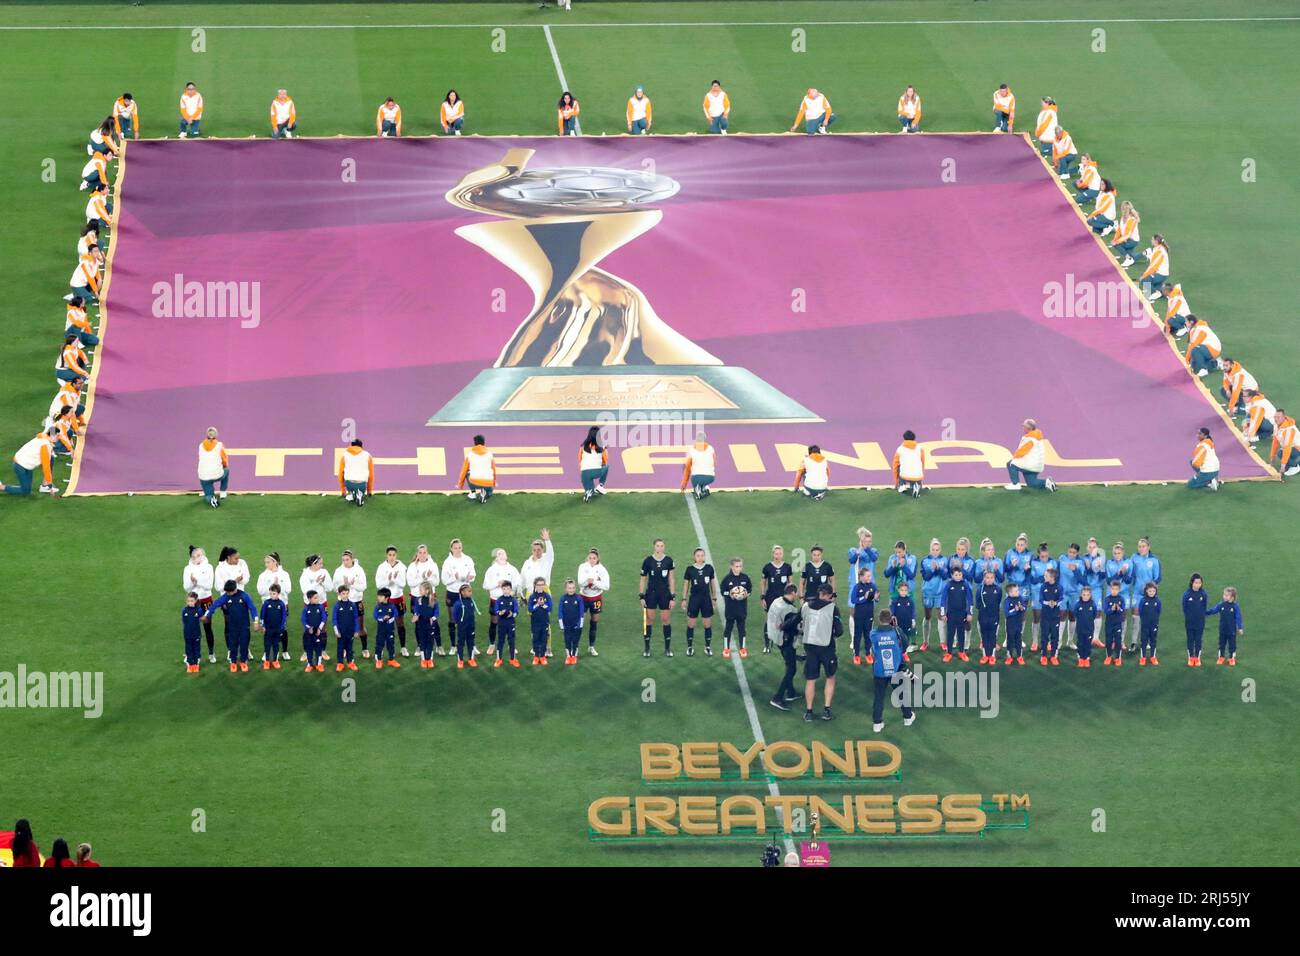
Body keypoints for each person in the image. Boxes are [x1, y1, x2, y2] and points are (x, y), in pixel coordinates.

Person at [800, 585, 842, 721]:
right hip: (826, 648)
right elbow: (839, 631)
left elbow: (796, 622)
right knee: (830, 677)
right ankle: (826, 710)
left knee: (810, 680)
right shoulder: (832, 608)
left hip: (810, 648)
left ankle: (809, 712)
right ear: (829, 595)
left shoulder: (806, 606)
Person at [869, 610, 916, 733]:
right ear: (890, 619)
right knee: (901, 693)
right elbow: (905, 645)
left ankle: (877, 723)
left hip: (879, 670)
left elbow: (872, 649)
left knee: (879, 696)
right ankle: (907, 717)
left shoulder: (873, 633)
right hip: (895, 668)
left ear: (879, 619)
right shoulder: (897, 632)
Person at [206, 579, 259, 672]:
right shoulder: (226, 596)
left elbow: (253, 608)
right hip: (232, 626)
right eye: (227, 592)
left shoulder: (244, 596)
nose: (228, 594)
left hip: (244, 626)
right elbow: (215, 605)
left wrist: (256, 622)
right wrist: (207, 614)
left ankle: (243, 662)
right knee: (232, 645)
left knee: (244, 644)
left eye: (229, 592)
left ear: (235, 589)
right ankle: (233, 662)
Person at [519, 529, 556, 656]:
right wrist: (520, 593)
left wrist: (547, 540)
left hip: (544, 592)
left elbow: (551, 552)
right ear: (532, 550)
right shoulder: (527, 563)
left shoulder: (547, 559)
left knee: (545, 620)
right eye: (534, 549)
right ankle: (536, 646)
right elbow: (522, 579)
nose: (536, 552)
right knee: (534, 621)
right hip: (531, 594)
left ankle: (548, 648)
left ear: (542, 549)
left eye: (539, 549)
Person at [767, 585, 801, 710]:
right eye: (796, 593)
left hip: (774, 637)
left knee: (789, 664)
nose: (797, 595)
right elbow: (790, 627)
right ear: (792, 593)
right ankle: (778, 697)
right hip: (785, 641)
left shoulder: (777, 601)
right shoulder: (789, 609)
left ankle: (791, 692)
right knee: (791, 669)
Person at [640, 538, 675, 657]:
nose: (659, 548)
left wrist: (673, 596)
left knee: (666, 620)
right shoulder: (648, 561)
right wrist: (641, 596)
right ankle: (647, 648)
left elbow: (671, 579)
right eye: (658, 546)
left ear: (664, 547)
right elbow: (643, 578)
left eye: (662, 546)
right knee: (649, 620)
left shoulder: (669, 560)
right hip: (651, 594)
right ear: (654, 547)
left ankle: (667, 648)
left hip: (665, 594)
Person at [679, 548, 717, 657]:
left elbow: (712, 584)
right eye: (698, 555)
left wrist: (714, 598)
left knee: (707, 624)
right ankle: (690, 647)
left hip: (706, 600)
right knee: (691, 624)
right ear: (694, 557)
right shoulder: (690, 569)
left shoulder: (709, 568)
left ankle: (707, 647)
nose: (700, 557)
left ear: (704, 556)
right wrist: (684, 599)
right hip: (694, 600)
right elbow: (686, 584)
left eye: (702, 555)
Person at [483, 548, 522, 655]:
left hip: (509, 600)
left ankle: (511, 645)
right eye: (498, 554)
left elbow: (518, 583)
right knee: (494, 622)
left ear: (506, 556)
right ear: (496, 558)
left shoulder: (512, 569)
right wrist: (497, 584)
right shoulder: (491, 570)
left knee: (510, 623)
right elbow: (485, 585)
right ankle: (492, 645)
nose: (500, 555)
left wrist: (507, 585)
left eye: (502, 553)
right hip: (495, 600)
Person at [1, 427, 59, 496]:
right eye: (57, 435)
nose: (58, 438)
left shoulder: (43, 437)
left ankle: (44, 485)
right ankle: (1, 487)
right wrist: (50, 485)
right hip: (21, 466)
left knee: (51, 458)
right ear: (52, 435)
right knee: (25, 491)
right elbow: (46, 467)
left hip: (24, 463)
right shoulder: (45, 446)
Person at [183, 547, 217, 663]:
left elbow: (209, 586)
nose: (198, 557)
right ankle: (190, 654)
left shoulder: (209, 567)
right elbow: (186, 587)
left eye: (199, 555)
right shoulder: (187, 569)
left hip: (206, 600)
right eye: (195, 556)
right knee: (191, 628)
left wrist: (196, 581)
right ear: (191, 557)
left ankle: (211, 653)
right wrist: (192, 582)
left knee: (207, 627)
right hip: (194, 602)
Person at [1004, 418, 1057, 491]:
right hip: (1037, 465)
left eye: (1024, 427)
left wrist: (1014, 459)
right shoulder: (1037, 435)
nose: (1023, 428)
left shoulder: (1029, 439)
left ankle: (1015, 484)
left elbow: (1020, 452)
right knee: (1032, 483)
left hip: (1031, 464)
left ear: (1028, 428)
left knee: (1010, 463)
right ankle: (1047, 483)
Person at [406, 544, 441, 656]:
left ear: (427, 553)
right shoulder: (412, 566)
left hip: (430, 597)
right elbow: (410, 583)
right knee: (418, 623)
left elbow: (437, 582)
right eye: (420, 552)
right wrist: (423, 577)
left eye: (424, 552)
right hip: (416, 597)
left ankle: (439, 646)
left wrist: (428, 578)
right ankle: (420, 646)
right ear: (417, 553)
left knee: (433, 621)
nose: (422, 554)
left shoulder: (433, 565)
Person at [332, 550, 368, 656]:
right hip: (343, 603)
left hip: (357, 602)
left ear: (352, 559)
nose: (345, 562)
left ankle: (365, 649)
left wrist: (352, 585)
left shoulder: (359, 570)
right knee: (343, 627)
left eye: (347, 559)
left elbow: (364, 587)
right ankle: (343, 649)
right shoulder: (338, 571)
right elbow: (334, 588)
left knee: (360, 627)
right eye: (343, 560)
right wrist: (344, 585)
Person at [1129, 537, 1162, 651]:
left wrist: (1150, 586)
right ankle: (1133, 642)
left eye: (1143, 546)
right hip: (1137, 593)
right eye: (1139, 546)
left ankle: (1147, 640)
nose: (1141, 548)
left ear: (1148, 547)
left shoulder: (1154, 560)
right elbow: (1130, 572)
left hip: (1149, 595)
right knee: (1135, 617)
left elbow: (1158, 578)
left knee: (1148, 618)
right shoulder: (1134, 558)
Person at [759, 545, 794, 654]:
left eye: (779, 553)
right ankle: (767, 644)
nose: (777, 556)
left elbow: (790, 583)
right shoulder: (767, 567)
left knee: (786, 620)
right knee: (769, 620)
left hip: (784, 598)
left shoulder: (787, 567)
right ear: (773, 554)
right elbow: (763, 582)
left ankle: (784, 642)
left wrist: (791, 597)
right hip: (771, 597)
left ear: (782, 554)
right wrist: (763, 596)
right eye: (776, 553)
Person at [375, 546, 408, 658]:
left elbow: (403, 584)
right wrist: (388, 580)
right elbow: (378, 585)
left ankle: (403, 647)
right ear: (386, 555)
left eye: (394, 555)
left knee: (400, 623)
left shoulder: (402, 567)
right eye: (390, 555)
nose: (392, 557)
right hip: (385, 600)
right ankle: (382, 648)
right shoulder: (381, 567)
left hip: (398, 598)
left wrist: (394, 579)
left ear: (396, 555)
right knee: (383, 624)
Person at [846, 528, 878, 643]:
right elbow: (852, 560)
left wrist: (866, 548)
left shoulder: (873, 551)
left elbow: (873, 558)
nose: (868, 543)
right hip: (855, 586)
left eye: (869, 541)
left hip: (869, 587)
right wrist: (858, 551)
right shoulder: (853, 550)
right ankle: (853, 639)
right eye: (865, 541)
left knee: (869, 613)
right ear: (861, 540)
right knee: (853, 613)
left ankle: (868, 638)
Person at [577, 549, 609, 654]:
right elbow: (580, 583)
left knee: (594, 622)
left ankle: (591, 646)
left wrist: (594, 581)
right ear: (587, 558)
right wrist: (588, 582)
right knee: (579, 622)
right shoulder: (582, 567)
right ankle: (575, 647)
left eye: (594, 558)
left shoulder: (602, 569)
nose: (592, 560)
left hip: (596, 598)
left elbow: (607, 586)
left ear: (598, 558)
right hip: (583, 597)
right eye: (590, 558)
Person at [441, 539, 477, 633]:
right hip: (452, 592)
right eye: (455, 548)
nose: (458, 550)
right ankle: (453, 645)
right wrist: (454, 578)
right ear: (451, 549)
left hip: (465, 592)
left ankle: (469, 642)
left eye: (459, 547)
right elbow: (444, 580)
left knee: (467, 616)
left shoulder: (468, 559)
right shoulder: (447, 562)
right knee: (452, 618)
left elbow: (473, 573)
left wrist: (470, 577)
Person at [918, 538, 947, 651]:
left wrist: (938, 568)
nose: (935, 551)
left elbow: (945, 576)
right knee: (927, 616)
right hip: (928, 593)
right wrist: (933, 569)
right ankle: (925, 642)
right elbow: (926, 577)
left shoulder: (944, 560)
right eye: (933, 549)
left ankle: (943, 642)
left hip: (940, 593)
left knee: (941, 616)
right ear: (930, 549)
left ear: (940, 550)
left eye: (937, 549)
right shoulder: (925, 561)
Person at [1104, 541, 1134, 649]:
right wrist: (1118, 573)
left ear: (1123, 552)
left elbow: (1129, 581)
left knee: (1123, 616)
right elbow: (1108, 581)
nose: (1117, 555)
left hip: (1124, 594)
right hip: (1111, 594)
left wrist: (1124, 572)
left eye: (1119, 553)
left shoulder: (1129, 563)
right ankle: (1111, 640)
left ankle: (1120, 641)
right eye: (1115, 553)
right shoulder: (1109, 563)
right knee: (1111, 616)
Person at [940, 567, 972, 663]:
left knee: (961, 633)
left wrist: (970, 613)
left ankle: (961, 652)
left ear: (962, 575)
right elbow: (943, 599)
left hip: (962, 614)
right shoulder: (948, 585)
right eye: (956, 575)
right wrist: (943, 613)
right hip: (951, 614)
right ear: (952, 575)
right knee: (950, 633)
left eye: (960, 575)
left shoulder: (965, 584)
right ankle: (949, 652)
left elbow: (970, 599)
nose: (958, 577)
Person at [1056, 543, 1085, 648]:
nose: (1071, 554)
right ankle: (1059, 641)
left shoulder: (1080, 563)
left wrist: (1075, 570)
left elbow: (1082, 580)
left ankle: (1070, 640)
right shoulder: (1062, 559)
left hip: (1074, 593)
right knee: (1062, 615)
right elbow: (1057, 574)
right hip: (1062, 592)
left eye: (1074, 552)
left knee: (1073, 616)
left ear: (1077, 553)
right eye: (1070, 552)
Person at [848, 568, 878, 666]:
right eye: (868, 576)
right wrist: (863, 598)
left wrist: (877, 598)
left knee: (868, 635)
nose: (870, 577)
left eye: (870, 575)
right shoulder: (857, 587)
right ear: (861, 577)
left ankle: (868, 654)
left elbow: (876, 597)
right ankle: (856, 655)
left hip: (869, 615)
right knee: (857, 635)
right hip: (859, 616)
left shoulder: (872, 586)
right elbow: (853, 600)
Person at [1207, 587, 1243, 665]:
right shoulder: (1221, 605)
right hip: (1222, 629)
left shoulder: (1235, 606)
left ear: (1232, 597)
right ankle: (1221, 657)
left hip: (1232, 630)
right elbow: (1214, 610)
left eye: (1227, 595)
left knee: (1232, 645)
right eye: (1224, 595)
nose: (1224, 596)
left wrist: (1240, 627)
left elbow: (1238, 617)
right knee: (1221, 644)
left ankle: (1231, 658)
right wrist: (1205, 613)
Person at [197, 426, 229, 509]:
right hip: (217, 474)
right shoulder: (220, 445)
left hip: (203, 476)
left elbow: (200, 458)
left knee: (208, 494)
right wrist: (224, 466)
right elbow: (224, 460)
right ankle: (223, 492)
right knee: (227, 470)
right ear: (216, 435)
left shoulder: (200, 445)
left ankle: (211, 498)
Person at [457, 434, 496, 502]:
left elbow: (463, 471)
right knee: (489, 491)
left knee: (467, 472)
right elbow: (494, 470)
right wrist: (494, 482)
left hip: (474, 482)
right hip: (488, 482)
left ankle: (473, 493)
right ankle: (485, 492)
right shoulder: (490, 454)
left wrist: (460, 484)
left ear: (475, 443)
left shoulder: (470, 454)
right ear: (484, 443)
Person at [257, 583, 287, 670]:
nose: (272, 595)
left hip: (277, 629)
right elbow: (262, 615)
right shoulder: (266, 603)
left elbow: (284, 617)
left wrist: (282, 627)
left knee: (276, 644)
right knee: (267, 644)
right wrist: (263, 626)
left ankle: (275, 660)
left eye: (274, 593)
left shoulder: (281, 604)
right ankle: (266, 661)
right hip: (268, 629)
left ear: (278, 593)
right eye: (270, 593)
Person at [975, 571, 1001, 665]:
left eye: (991, 578)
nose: (989, 579)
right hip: (983, 616)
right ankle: (985, 655)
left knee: (993, 635)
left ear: (994, 579)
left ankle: (992, 655)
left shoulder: (998, 589)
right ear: (984, 579)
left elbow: (998, 601)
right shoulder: (980, 590)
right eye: (987, 577)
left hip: (994, 616)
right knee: (985, 636)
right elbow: (977, 604)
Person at [412, 582, 441, 667]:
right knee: (422, 641)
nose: (419, 591)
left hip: (430, 624)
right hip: (421, 623)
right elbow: (416, 611)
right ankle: (423, 660)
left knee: (430, 641)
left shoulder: (434, 601)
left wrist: (433, 618)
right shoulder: (418, 600)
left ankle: (430, 659)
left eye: (421, 590)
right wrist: (415, 616)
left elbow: (436, 613)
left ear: (427, 590)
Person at [333, 586, 361, 671]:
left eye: (346, 593)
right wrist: (336, 631)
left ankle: (350, 662)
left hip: (350, 631)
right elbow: (334, 619)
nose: (345, 595)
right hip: (341, 632)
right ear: (339, 594)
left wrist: (356, 630)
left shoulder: (352, 605)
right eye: (343, 594)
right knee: (340, 647)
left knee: (350, 647)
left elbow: (356, 618)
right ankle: (340, 663)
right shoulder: (337, 606)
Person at [557, 578, 585, 665]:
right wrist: (561, 624)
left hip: (576, 624)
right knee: (567, 640)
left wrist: (581, 623)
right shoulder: (563, 598)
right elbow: (560, 611)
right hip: (566, 625)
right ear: (566, 589)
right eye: (569, 588)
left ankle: (574, 656)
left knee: (575, 640)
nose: (571, 589)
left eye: (573, 588)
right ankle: (568, 656)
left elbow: (581, 611)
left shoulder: (579, 598)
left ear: (575, 588)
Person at [1182, 573, 1208, 667]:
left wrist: (1201, 616)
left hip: (1200, 622)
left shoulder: (1203, 594)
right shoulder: (1187, 594)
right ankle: (1190, 657)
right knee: (1190, 639)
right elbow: (1184, 608)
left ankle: (1197, 658)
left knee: (1198, 640)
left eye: (1199, 583)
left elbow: (1204, 606)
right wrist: (1189, 616)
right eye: (1196, 582)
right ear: (1192, 583)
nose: (1198, 585)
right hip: (1189, 622)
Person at [892, 430, 928, 496]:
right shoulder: (920, 448)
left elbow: (895, 466)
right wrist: (920, 477)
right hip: (918, 476)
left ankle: (902, 486)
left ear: (904, 438)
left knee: (899, 466)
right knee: (917, 465)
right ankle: (916, 486)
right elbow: (922, 463)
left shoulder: (900, 449)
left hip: (904, 475)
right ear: (914, 438)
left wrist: (896, 481)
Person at [680, 432, 716, 499]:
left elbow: (687, 468)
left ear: (696, 440)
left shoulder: (692, 450)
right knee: (704, 477)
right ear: (705, 439)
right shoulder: (711, 448)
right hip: (710, 478)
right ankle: (703, 486)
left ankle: (697, 488)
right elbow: (714, 463)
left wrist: (684, 483)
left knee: (691, 471)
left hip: (696, 478)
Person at [1039, 568, 1063, 665]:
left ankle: (1053, 656)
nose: (1044, 577)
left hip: (1055, 616)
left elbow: (1061, 599)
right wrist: (1048, 603)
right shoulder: (1043, 586)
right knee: (1044, 636)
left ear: (1052, 577)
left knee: (1055, 636)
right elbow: (1040, 600)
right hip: (1045, 615)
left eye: (1046, 576)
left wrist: (1055, 603)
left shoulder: (1059, 587)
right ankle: (1044, 655)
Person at [493, 581, 521, 667]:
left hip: (511, 623)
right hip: (501, 624)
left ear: (511, 590)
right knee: (500, 641)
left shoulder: (513, 600)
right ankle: (498, 659)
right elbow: (496, 610)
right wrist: (500, 613)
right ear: (501, 589)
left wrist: (512, 614)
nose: (506, 590)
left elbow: (516, 611)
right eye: (504, 589)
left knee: (511, 641)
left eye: (507, 589)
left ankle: (513, 659)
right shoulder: (499, 600)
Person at [579, 426, 609, 501]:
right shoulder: (601, 447)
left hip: (584, 473)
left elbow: (580, 460)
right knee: (606, 466)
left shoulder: (582, 447)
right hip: (597, 472)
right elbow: (605, 461)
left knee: (590, 491)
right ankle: (600, 486)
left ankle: (588, 492)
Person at [372, 589, 400, 668]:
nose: (378, 597)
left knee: (391, 645)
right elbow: (375, 616)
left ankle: (391, 660)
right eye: (378, 596)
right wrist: (382, 618)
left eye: (381, 596)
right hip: (381, 631)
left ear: (387, 597)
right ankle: (379, 661)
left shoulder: (392, 606)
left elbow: (396, 615)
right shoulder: (378, 606)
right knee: (379, 645)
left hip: (390, 630)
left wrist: (389, 619)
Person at [528, 578, 554, 666]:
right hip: (535, 622)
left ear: (544, 585)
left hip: (545, 622)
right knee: (535, 639)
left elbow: (550, 608)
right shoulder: (532, 597)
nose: (540, 586)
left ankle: (542, 656)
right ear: (535, 585)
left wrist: (543, 604)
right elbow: (530, 609)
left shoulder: (547, 596)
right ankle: (536, 656)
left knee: (543, 639)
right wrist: (538, 604)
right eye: (538, 585)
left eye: (542, 584)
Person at [1138, 234, 1171, 300]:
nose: (1151, 240)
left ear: (1156, 241)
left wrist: (1144, 275)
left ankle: (1157, 292)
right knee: (1148, 280)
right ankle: (1165, 292)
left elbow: (1153, 266)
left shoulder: (1159, 251)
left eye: (1152, 239)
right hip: (1160, 273)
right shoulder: (1159, 248)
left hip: (1161, 274)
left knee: (1144, 281)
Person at [1136, 582, 1162, 665]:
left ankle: (1153, 657)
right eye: (1150, 591)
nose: (1152, 593)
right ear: (1146, 591)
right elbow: (1140, 611)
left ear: (1156, 591)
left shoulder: (1157, 601)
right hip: (1145, 625)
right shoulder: (1143, 600)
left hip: (1154, 625)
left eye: (1153, 591)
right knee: (1144, 641)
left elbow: (1159, 611)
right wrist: (1144, 620)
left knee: (1153, 640)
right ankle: (1143, 657)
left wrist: (1155, 621)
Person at [1188, 427, 1221, 491]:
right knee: (1191, 461)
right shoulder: (1210, 442)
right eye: (1197, 433)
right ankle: (1212, 478)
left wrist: (1198, 475)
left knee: (1191, 485)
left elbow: (1196, 462)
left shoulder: (1202, 445)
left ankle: (1210, 483)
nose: (1197, 435)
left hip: (1208, 471)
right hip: (1216, 469)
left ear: (1205, 435)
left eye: (1200, 434)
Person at [1103, 579, 1127, 666]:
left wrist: (1118, 608)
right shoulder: (1107, 599)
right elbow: (1106, 611)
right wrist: (1111, 609)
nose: (1114, 591)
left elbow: (1122, 611)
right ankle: (1108, 656)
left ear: (1119, 590)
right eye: (1113, 589)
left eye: (1116, 589)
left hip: (1118, 624)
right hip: (1109, 623)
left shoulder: (1121, 599)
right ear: (1110, 589)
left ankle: (1118, 658)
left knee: (1118, 641)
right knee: (1108, 640)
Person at [301, 590, 327, 672]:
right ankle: (309, 664)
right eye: (315, 598)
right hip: (309, 633)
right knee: (309, 649)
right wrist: (309, 628)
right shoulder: (306, 609)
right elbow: (303, 620)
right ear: (309, 599)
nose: (317, 599)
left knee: (319, 649)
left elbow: (324, 618)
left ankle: (319, 664)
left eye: (317, 597)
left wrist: (319, 628)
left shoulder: (320, 607)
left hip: (318, 632)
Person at [1074, 585, 1099, 666]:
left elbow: (1094, 614)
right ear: (1081, 595)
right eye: (1084, 595)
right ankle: (1081, 658)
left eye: (1088, 595)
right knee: (1080, 643)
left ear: (1090, 595)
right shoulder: (1078, 604)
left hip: (1089, 628)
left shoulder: (1093, 605)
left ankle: (1087, 657)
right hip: (1080, 628)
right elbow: (1076, 614)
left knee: (1088, 643)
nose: (1085, 597)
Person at [1003, 583, 1027, 665]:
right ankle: (1009, 656)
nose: (1018, 592)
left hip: (1018, 624)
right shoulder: (1007, 601)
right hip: (1010, 624)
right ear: (1010, 593)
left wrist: (1021, 608)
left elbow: (1024, 608)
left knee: (1018, 640)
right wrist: (1015, 610)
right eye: (1016, 591)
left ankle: (1019, 656)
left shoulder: (1020, 598)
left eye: (1018, 590)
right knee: (1010, 640)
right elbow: (1007, 613)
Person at [890, 580, 916, 655]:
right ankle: (898, 653)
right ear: (898, 590)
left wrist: (913, 619)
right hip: (898, 624)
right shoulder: (895, 601)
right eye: (902, 590)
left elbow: (913, 611)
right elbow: (892, 612)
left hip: (907, 623)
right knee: (898, 638)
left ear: (908, 591)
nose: (904, 592)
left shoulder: (910, 601)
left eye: (905, 590)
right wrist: (892, 622)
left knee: (907, 638)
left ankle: (905, 654)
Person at [1270, 409, 1298, 475]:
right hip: (1293, 447)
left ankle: (1295, 466)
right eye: (1275, 417)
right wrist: (1272, 458)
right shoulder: (1276, 425)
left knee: (1281, 453)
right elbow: (1275, 442)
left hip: (1297, 447)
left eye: (1278, 417)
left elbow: (1287, 447)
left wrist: (1283, 466)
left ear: (1284, 417)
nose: (1276, 419)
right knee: (1282, 453)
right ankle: (1290, 463)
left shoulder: (1289, 429)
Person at [182, 592, 205, 673]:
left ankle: (196, 664)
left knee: (196, 649)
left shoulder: (199, 610)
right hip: (187, 634)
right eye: (188, 601)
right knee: (188, 649)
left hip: (196, 634)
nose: (190, 603)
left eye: (191, 601)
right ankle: (190, 664)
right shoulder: (184, 610)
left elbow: (201, 620)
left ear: (195, 601)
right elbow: (184, 622)